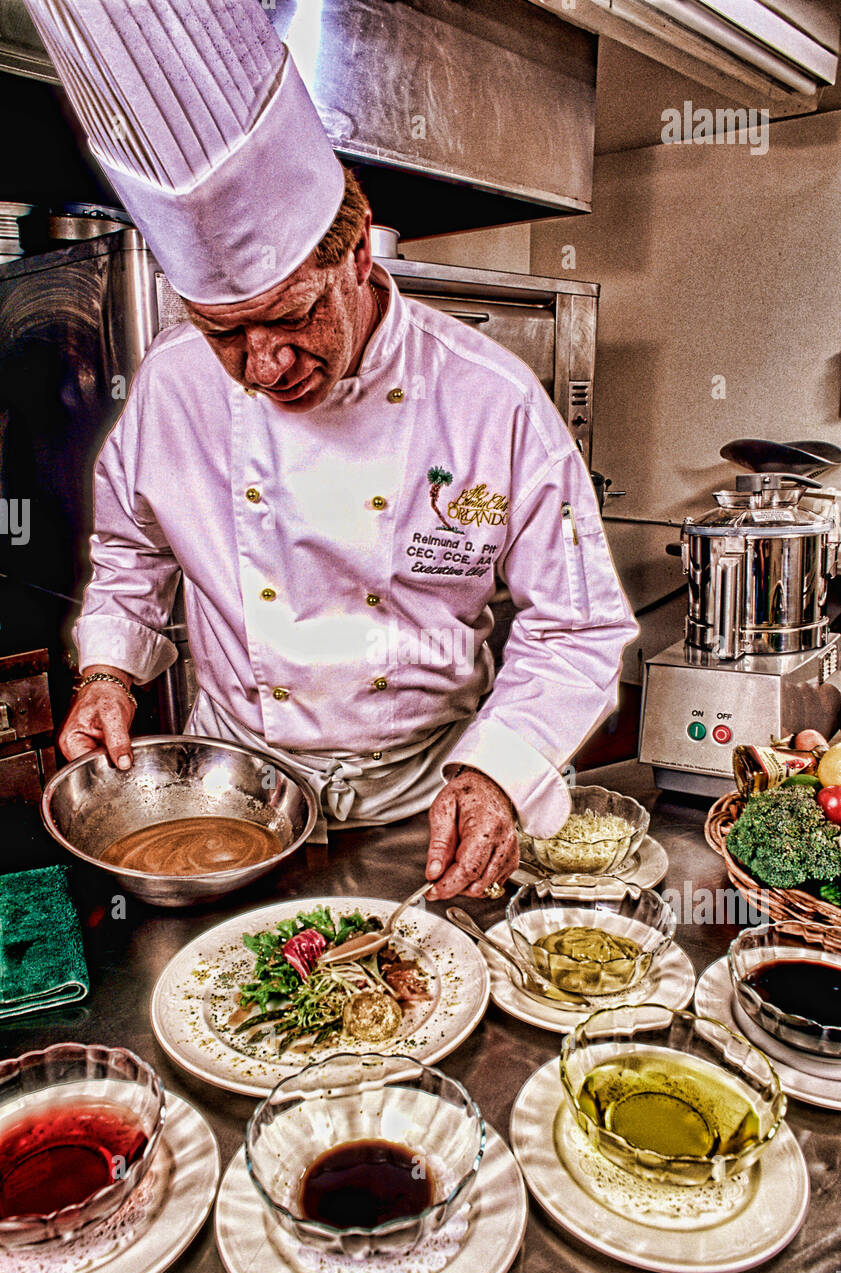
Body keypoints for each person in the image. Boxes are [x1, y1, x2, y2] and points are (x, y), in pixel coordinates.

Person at [26, 0, 638, 900]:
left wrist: (500, 772)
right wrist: (111, 670)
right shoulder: (173, 383)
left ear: (357, 258)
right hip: (230, 799)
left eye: (291, 317)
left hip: (424, 805)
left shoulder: (491, 399)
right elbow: (133, 551)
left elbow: (577, 628)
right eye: (224, 332)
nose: (263, 366)